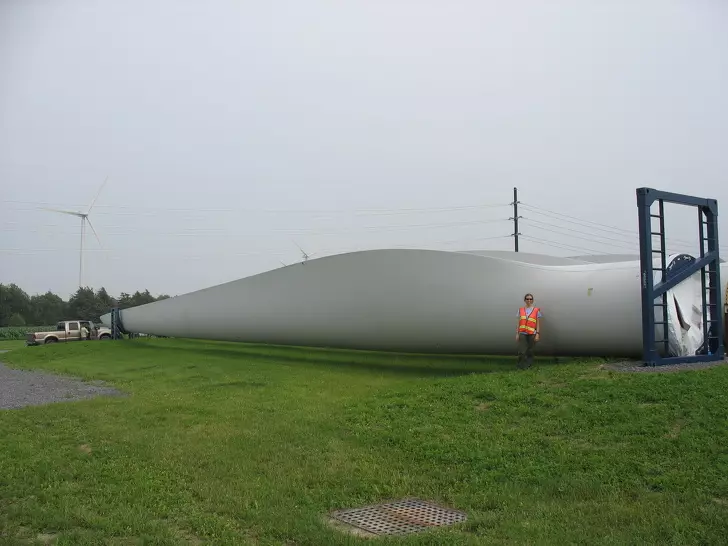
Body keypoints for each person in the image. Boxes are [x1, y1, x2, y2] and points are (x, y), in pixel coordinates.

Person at [516, 293, 542, 369]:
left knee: (530, 351)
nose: (529, 300)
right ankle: (520, 366)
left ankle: (528, 366)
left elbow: (538, 323)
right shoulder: (520, 310)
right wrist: (517, 334)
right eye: (527, 299)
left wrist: (537, 333)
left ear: (532, 300)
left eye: (530, 299)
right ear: (525, 300)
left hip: (532, 334)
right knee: (522, 351)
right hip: (522, 333)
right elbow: (518, 323)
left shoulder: (536, 310)